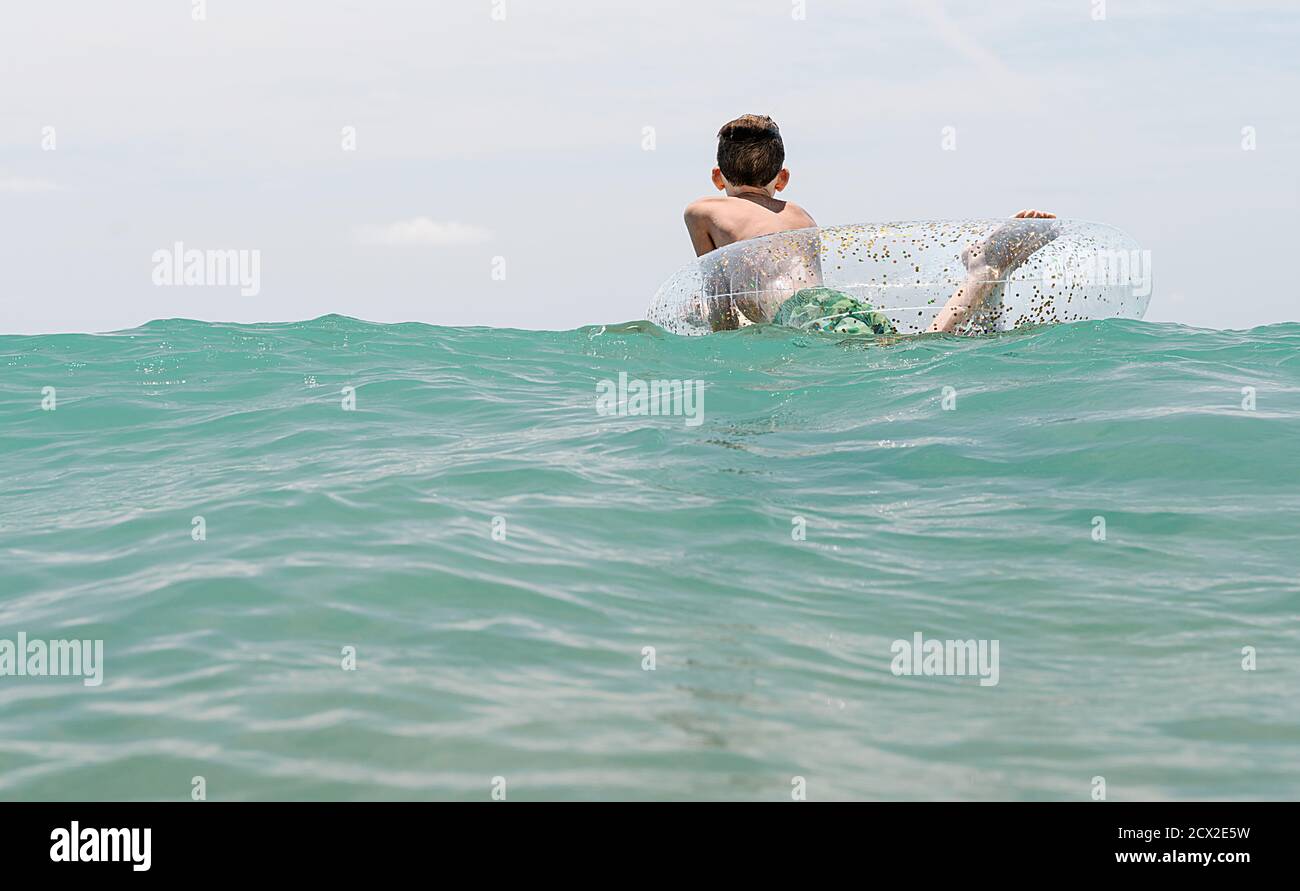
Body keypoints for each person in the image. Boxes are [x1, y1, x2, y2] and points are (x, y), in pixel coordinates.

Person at [683, 114, 1057, 334]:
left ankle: (981, 270)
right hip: (832, 307)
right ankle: (988, 284)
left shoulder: (703, 211)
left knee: (920, 353)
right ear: (781, 180)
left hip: (802, 318)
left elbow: (721, 306)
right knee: (914, 346)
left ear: (718, 177)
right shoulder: (799, 215)